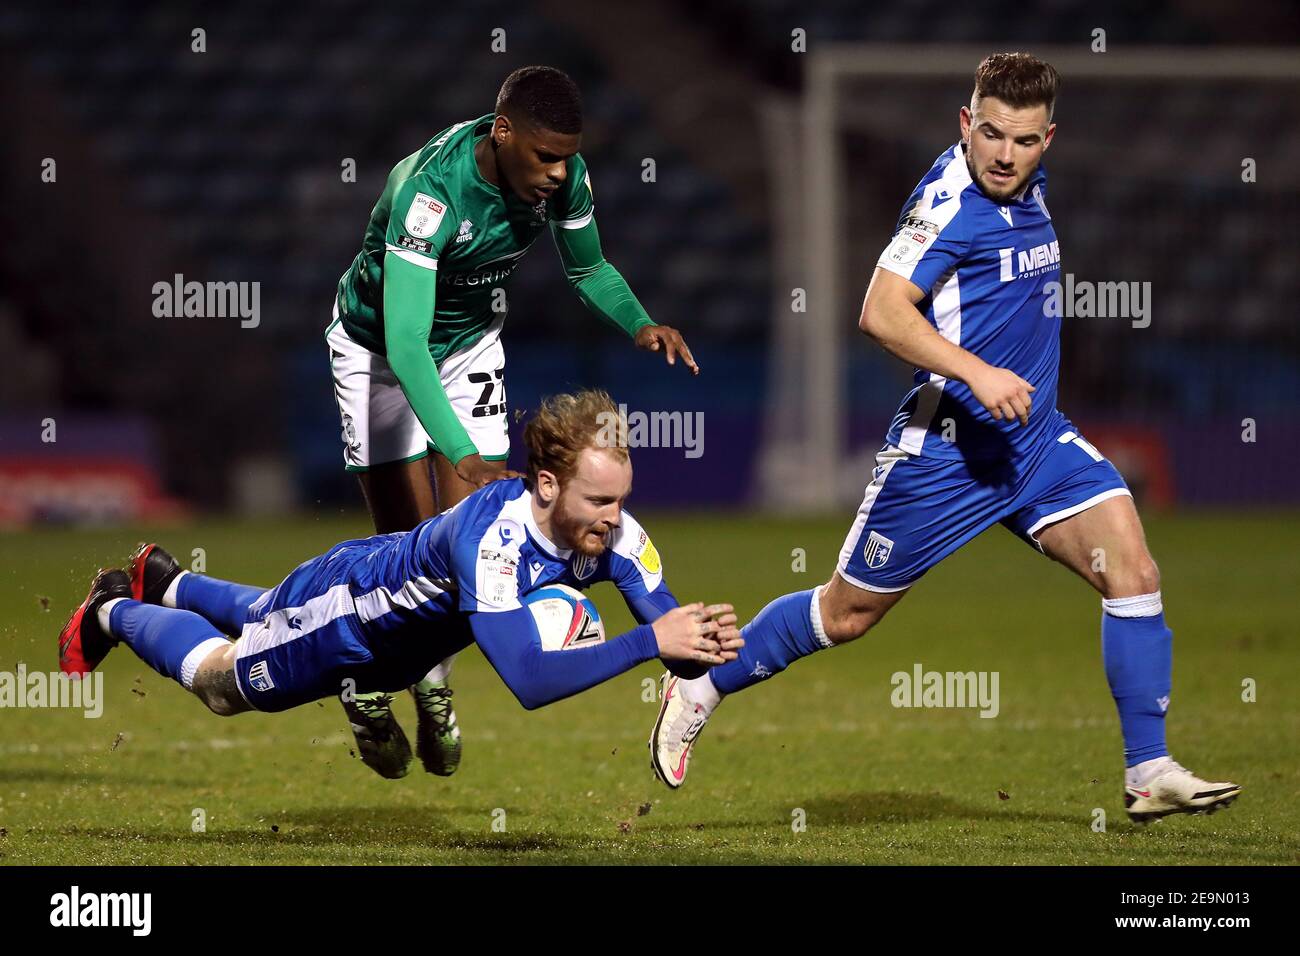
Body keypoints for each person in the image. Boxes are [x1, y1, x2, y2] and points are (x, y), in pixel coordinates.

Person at [648, 53, 1240, 824]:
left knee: (1133, 570)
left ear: (1048, 140)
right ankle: (703, 682)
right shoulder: (947, 201)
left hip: (1034, 447)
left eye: (1024, 142)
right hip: (946, 453)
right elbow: (881, 310)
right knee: (845, 615)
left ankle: (1148, 769)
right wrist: (978, 373)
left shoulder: (1029, 184)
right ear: (965, 123)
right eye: (990, 134)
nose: (1004, 155)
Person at [328, 65, 699, 776]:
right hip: (377, 352)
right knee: (400, 548)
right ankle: (368, 684)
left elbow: (588, 270)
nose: (560, 173)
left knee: (471, 548)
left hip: (469, 348)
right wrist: (462, 452)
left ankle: (431, 689)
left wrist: (640, 322)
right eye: (546, 157)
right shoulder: (429, 195)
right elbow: (407, 342)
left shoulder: (568, 179)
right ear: (503, 134)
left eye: (567, 157)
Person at [59, 392, 739, 737]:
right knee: (224, 686)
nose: (615, 517)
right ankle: (115, 608)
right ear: (548, 486)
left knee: (270, 612)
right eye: (599, 500)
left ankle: (170, 581)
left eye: (622, 499)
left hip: (391, 632)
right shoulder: (493, 543)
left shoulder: (615, 533)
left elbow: (670, 635)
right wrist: (651, 642)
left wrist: (698, 646)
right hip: (350, 618)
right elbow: (528, 681)